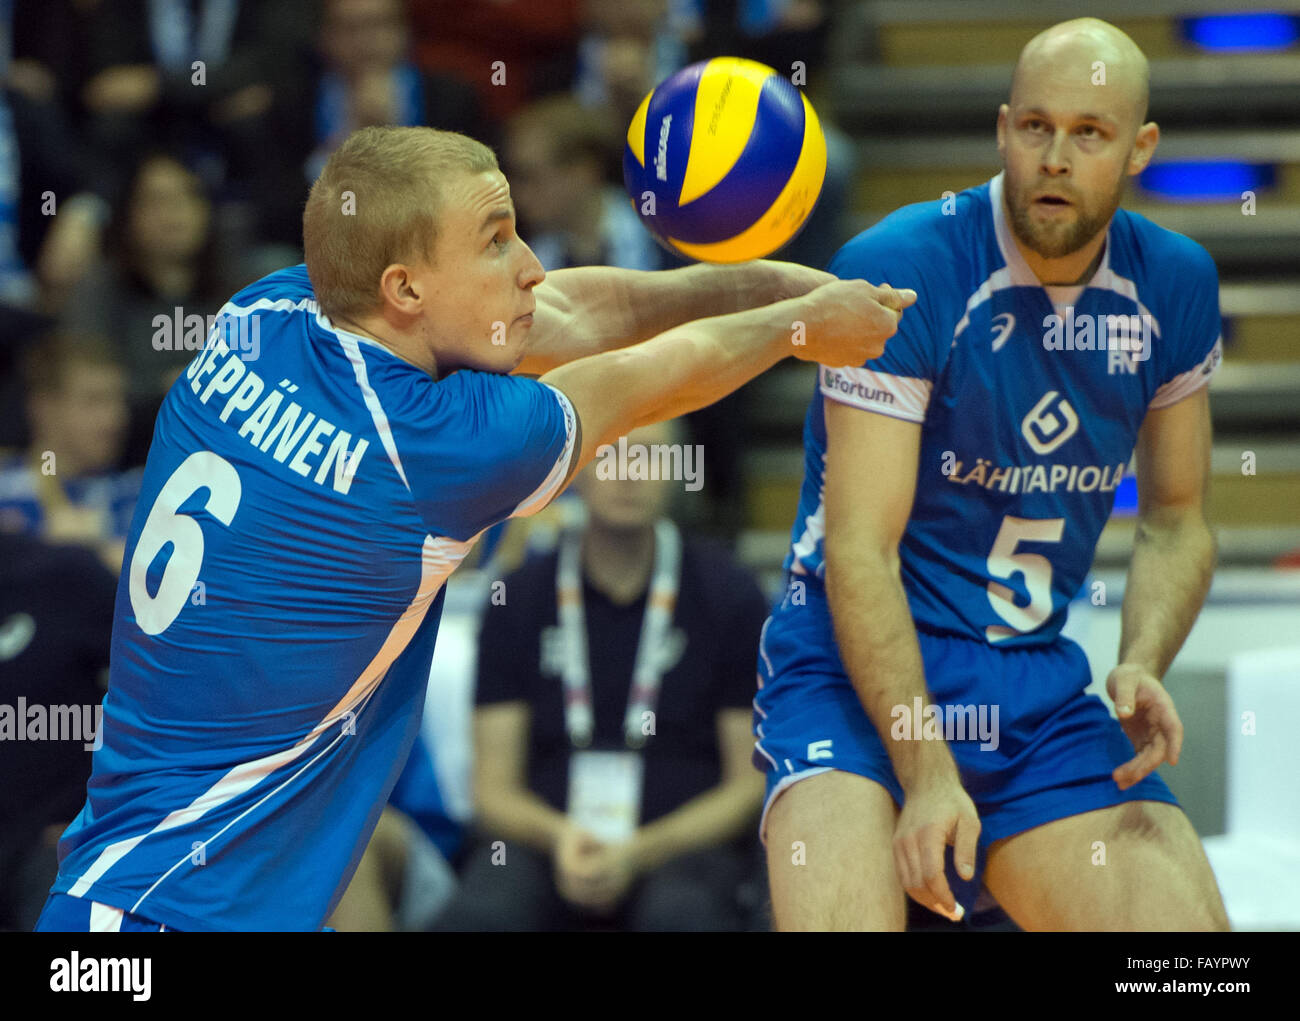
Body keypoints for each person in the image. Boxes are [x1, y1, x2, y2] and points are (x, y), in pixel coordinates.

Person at [34, 124, 909, 932]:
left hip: (142, 892)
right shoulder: (443, 446)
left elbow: (577, 314)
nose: (530, 264)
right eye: (496, 240)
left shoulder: (269, 313)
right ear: (404, 287)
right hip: (160, 917)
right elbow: (659, 375)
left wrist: (779, 283)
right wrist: (803, 328)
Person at [756, 17, 1230, 931]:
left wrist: (1139, 660)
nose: (1055, 156)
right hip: (850, 679)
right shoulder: (904, 266)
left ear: (1141, 150)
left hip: (1030, 686)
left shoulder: (1174, 285)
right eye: (1035, 127)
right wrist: (928, 770)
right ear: (1003, 129)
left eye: (1089, 133)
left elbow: (1175, 518)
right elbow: (860, 551)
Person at [435, 419, 768, 931]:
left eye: (650, 456)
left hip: (680, 845)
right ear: (577, 469)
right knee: (484, 915)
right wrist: (561, 838)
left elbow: (746, 787)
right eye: (612, 455)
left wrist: (640, 851)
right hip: (546, 842)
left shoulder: (730, 595)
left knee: (685, 916)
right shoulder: (517, 598)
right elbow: (492, 790)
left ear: (679, 472)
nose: (629, 474)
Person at [0, 333, 141, 573]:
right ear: (44, 408)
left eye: (118, 400)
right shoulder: (7, 491)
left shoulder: (141, 491)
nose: (115, 418)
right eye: (94, 401)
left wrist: (92, 551)